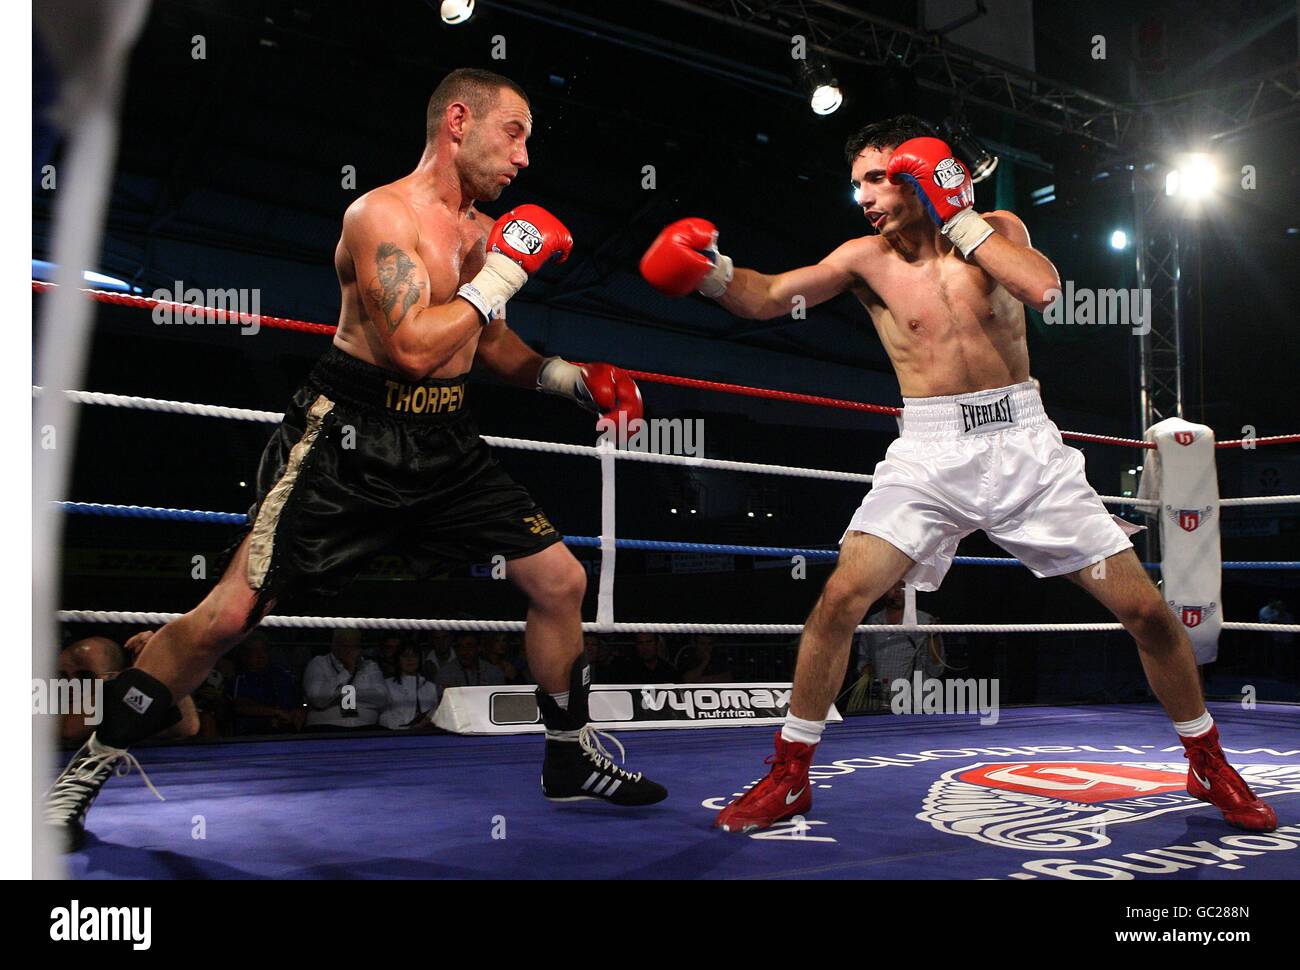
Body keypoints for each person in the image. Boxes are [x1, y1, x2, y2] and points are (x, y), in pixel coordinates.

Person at [46, 68, 665, 851]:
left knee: (560, 578)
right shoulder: (380, 214)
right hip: (348, 438)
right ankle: (86, 771)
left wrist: (571, 380)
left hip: (445, 442)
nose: (525, 157)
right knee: (230, 614)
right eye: (515, 133)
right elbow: (410, 347)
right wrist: (509, 269)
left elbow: (489, 341)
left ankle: (569, 755)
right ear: (459, 122)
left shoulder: (483, 233)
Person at [642, 114, 1276, 834]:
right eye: (857, 184)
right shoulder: (862, 259)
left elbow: (1043, 289)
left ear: (925, 172)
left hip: (1026, 451)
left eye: (879, 177)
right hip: (930, 455)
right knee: (841, 597)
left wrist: (958, 211)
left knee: (1145, 612)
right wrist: (711, 271)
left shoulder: (995, 229)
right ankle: (789, 776)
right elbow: (765, 295)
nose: (866, 197)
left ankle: (1206, 759)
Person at [303, 630, 388, 730]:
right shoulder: (319, 663)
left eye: (354, 645)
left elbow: (382, 698)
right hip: (326, 727)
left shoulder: (370, 666)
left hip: (366, 728)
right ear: (334, 645)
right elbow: (318, 698)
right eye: (344, 645)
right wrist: (347, 671)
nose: (349, 650)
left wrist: (340, 694)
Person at [380, 644, 440, 731]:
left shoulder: (431, 687)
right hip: (396, 735)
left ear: (420, 659)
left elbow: (436, 714)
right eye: (405, 656)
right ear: (398, 659)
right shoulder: (387, 685)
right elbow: (383, 716)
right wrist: (407, 728)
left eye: (414, 656)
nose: (410, 659)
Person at [435, 633, 505, 688]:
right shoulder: (445, 674)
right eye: (460, 647)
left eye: (469, 646)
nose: (463, 652)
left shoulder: (494, 673)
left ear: (478, 648)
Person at [612, 632, 678, 684]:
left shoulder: (669, 670)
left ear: (657, 644)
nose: (645, 647)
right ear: (636, 646)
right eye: (640, 643)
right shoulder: (627, 671)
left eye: (649, 642)